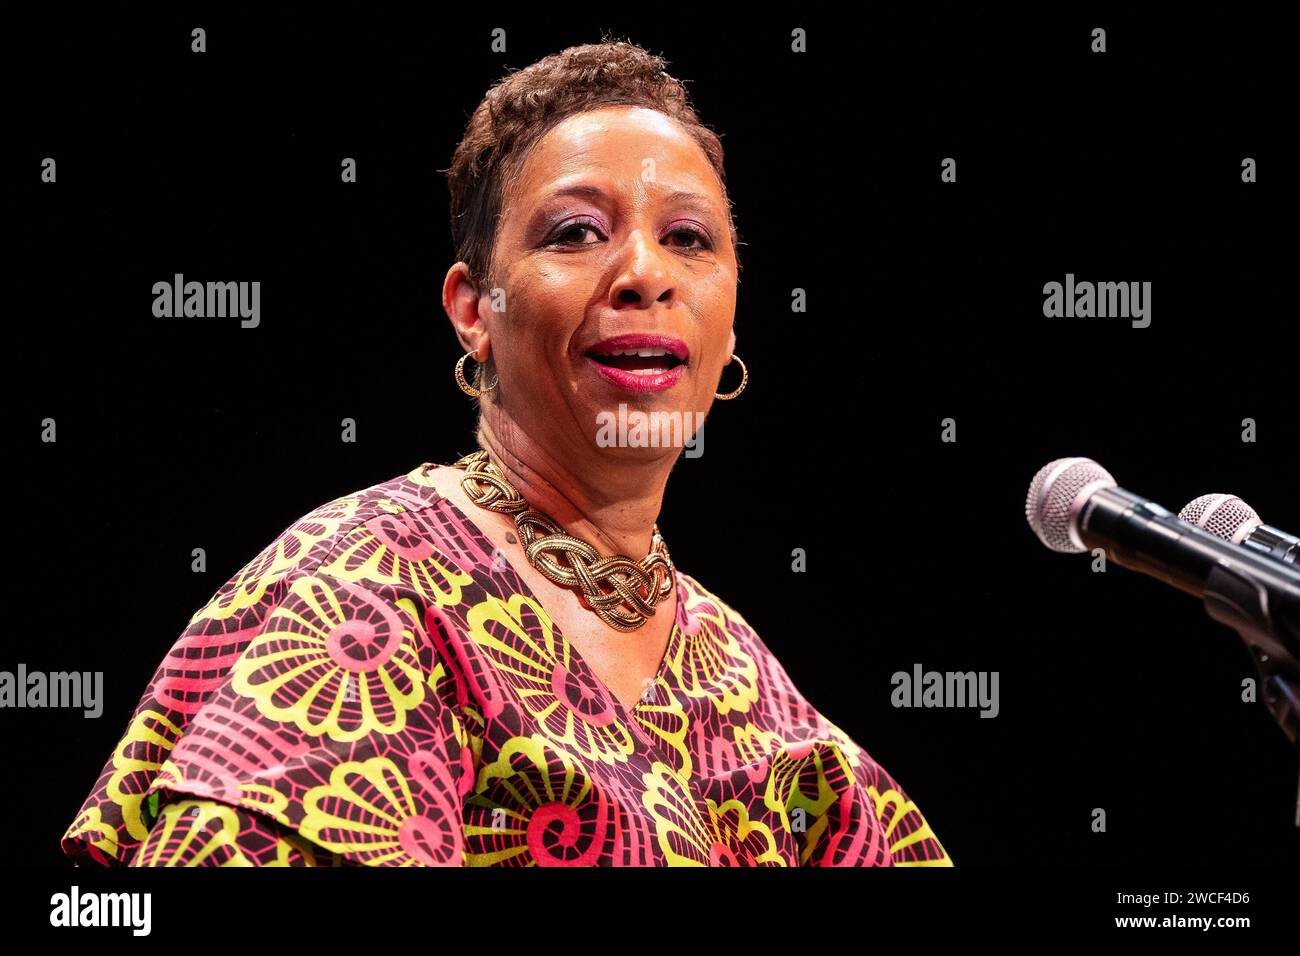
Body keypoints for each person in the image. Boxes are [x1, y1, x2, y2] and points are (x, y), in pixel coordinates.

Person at [61, 39, 951, 867]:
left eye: (689, 238)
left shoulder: (753, 685)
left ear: (731, 326)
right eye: (575, 233)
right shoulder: (363, 588)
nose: (647, 274)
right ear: (473, 311)